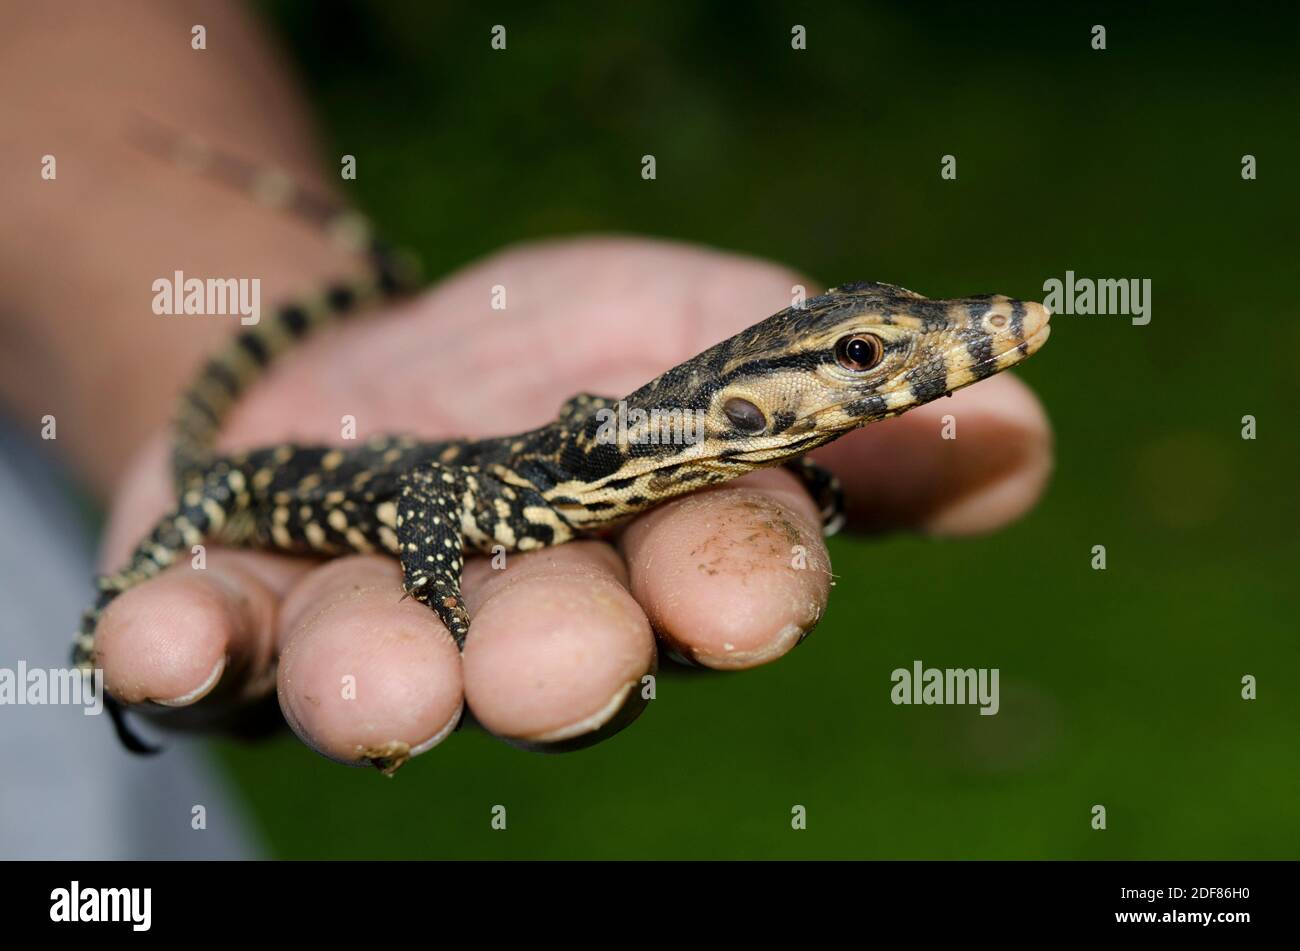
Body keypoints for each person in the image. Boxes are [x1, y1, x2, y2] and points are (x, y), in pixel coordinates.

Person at [0, 1, 1052, 851]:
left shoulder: (655, 447)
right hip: (266, 480)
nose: (920, 359)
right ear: (738, 404)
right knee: (189, 531)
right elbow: (426, 495)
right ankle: (105, 610)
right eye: (863, 356)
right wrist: (429, 586)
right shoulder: (606, 449)